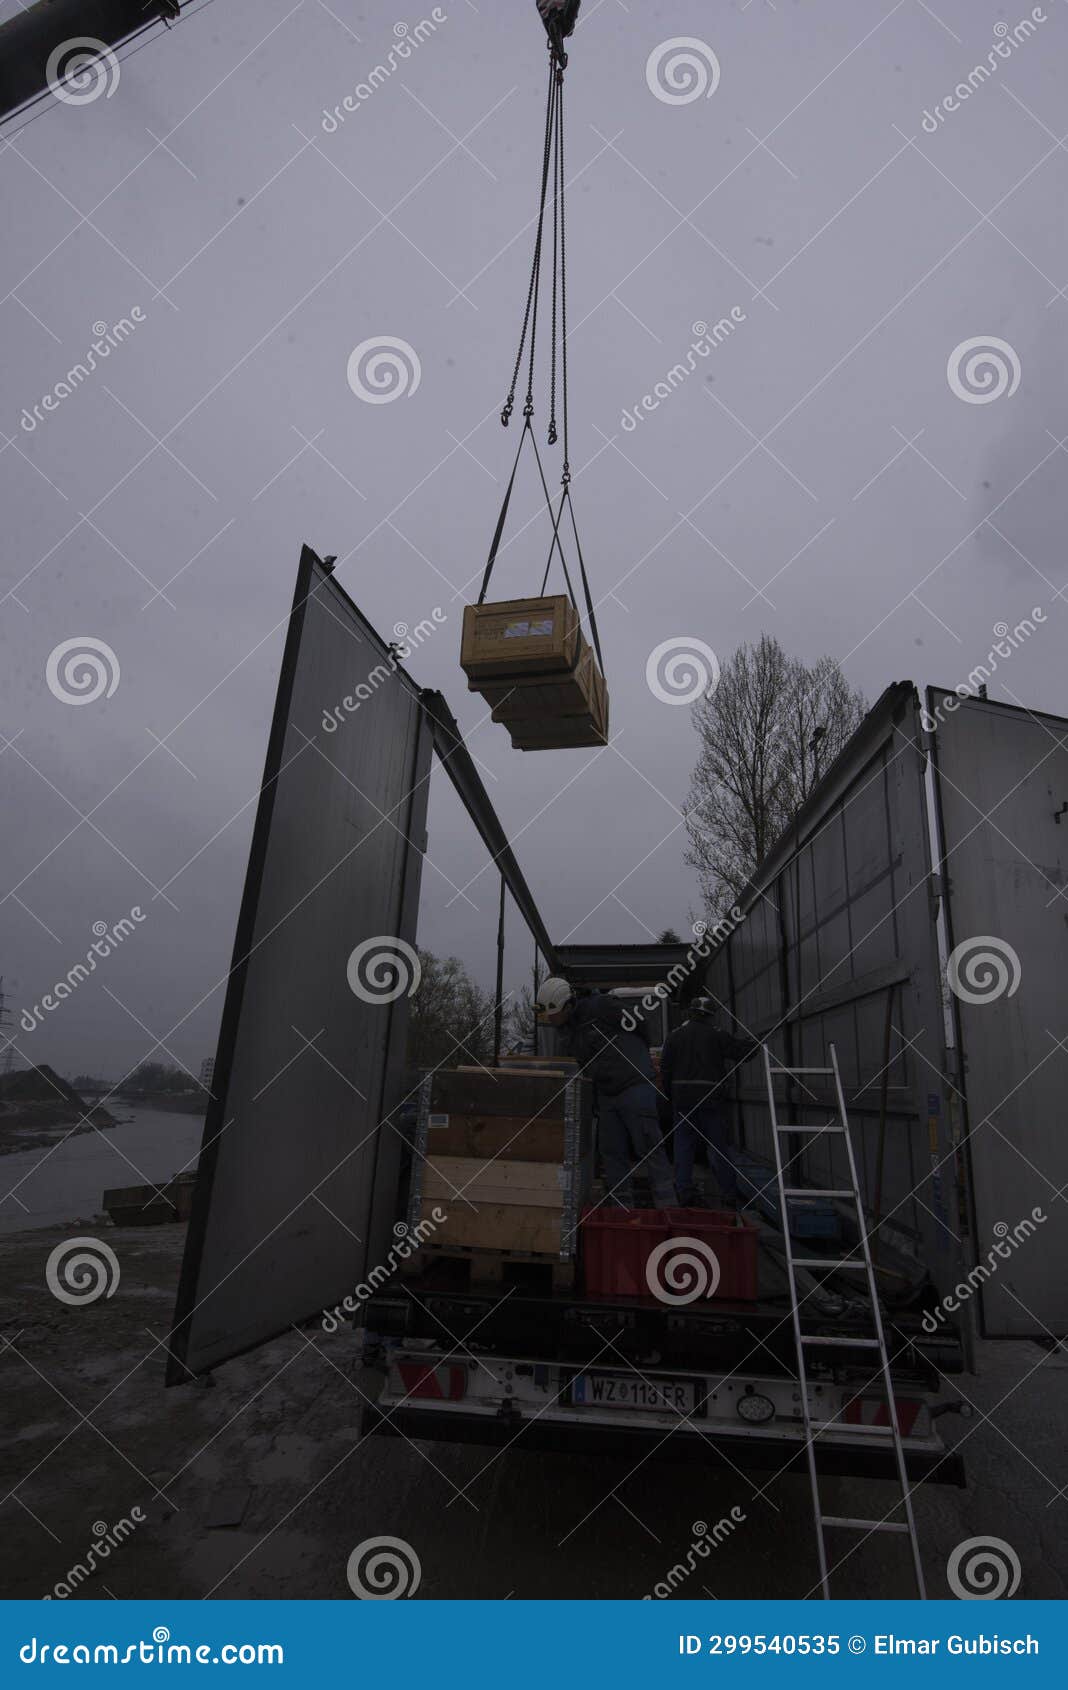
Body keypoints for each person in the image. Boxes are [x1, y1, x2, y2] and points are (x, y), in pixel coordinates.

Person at [536, 977, 675, 1209]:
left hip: (634, 1086)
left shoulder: (601, 1006)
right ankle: (623, 1210)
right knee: (612, 1154)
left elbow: (640, 1023)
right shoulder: (568, 1031)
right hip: (607, 1095)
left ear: (568, 1005)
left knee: (649, 1147)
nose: (551, 1020)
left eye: (554, 1013)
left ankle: (669, 1208)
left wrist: (635, 1058)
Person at [659, 998, 757, 1209]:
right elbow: (741, 1052)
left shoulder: (674, 1036)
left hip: (683, 1100)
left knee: (684, 1146)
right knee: (718, 1146)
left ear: (690, 1013)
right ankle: (728, 1194)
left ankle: (684, 1190)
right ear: (710, 1015)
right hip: (711, 1099)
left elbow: (665, 1070)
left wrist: (670, 1096)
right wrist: (756, 1043)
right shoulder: (717, 1034)